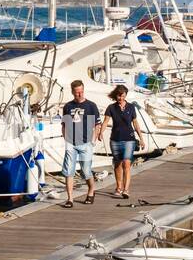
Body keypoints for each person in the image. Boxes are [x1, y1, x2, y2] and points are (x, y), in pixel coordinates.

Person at [100, 83, 147, 198]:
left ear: (126, 95)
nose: (121, 98)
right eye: (119, 96)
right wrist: (100, 132)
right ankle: (119, 187)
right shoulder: (111, 108)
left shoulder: (131, 107)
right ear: (116, 96)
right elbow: (106, 121)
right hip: (115, 139)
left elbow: (135, 123)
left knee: (126, 163)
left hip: (129, 139)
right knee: (117, 164)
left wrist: (141, 138)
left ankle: (126, 190)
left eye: (123, 96)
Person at [60, 80, 101, 208]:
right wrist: (66, 138)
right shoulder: (68, 106)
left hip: (86, 142)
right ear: (72, 92)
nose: (79, 94)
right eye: (77, 92)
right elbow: (64, 124)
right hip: (71, 143)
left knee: (86, 171)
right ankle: (70, 199)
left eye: (81, 91)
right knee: (69, 171)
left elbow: (97, 124)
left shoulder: (91, 106)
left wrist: (93, 140)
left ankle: (91, 191)